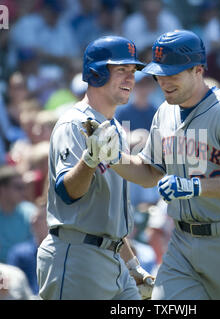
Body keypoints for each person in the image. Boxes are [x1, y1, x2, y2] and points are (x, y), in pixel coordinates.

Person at [98, 30, 220, 300]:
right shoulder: (164, 112)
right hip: (182, 243)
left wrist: (195, 186)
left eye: (173, 74)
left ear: (198, 70)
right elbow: (149, 173)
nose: (163, 82)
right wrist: (112, 157)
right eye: (159, 74)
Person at [36, 36, 154, 300]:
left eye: (132, 72)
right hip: (76, 258)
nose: (130, 79)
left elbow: (109, 216)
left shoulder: (115, 130)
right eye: (121, 70)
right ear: (96, 73)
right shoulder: (73, 123)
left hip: (114, 262)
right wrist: (90, 160)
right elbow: (68, 192)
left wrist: (133, 265)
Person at [0, 165, 36, 263]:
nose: (23, 191)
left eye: (24, 187)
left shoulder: (31, 213)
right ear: (2, 189)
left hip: (23, 270)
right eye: (18, 187)